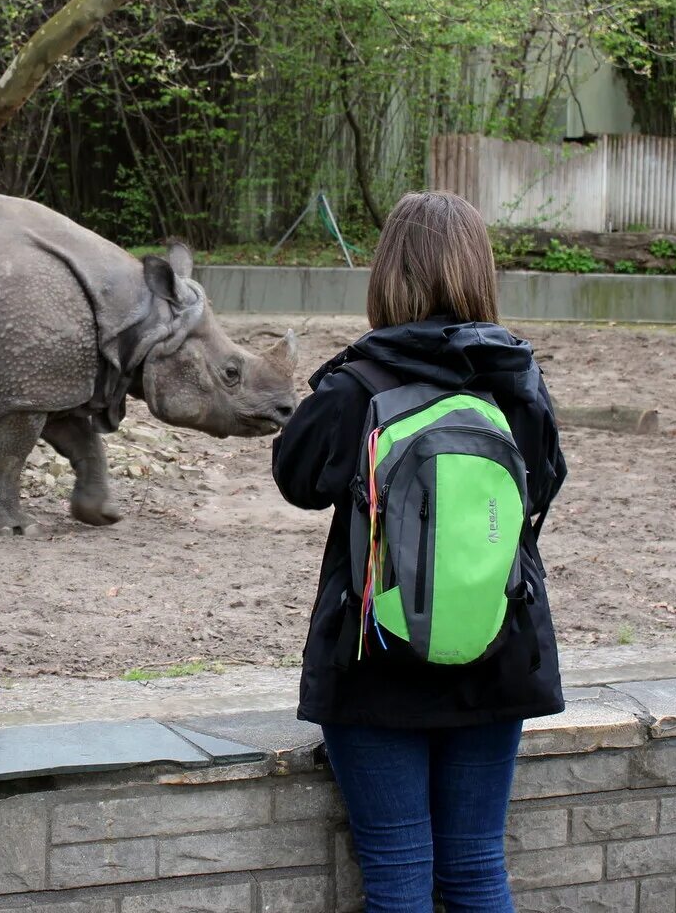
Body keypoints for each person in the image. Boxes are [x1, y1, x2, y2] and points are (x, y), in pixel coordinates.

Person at [271, 191, 567, 913]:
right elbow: (542, 493)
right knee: (474, 872)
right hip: (498, 651)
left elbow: (297, 479)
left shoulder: (358, 385)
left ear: (385, 275)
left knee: (400, 880)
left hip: (375, 662)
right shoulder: (517, 379)